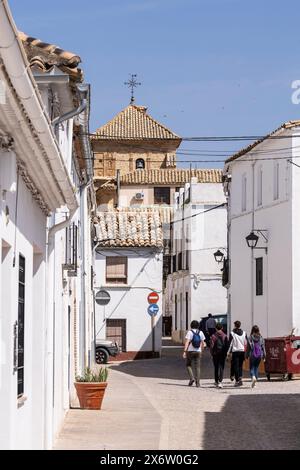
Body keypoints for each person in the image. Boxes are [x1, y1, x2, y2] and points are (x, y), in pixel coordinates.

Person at [183, 320, 206, 387]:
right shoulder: (201, 332)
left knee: (188, 365)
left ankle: (192, 378)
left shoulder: (190, 332)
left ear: (191, 325)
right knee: (198, 367)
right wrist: (201, 351)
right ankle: (198, 383)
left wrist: (185, 351)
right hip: (198, 351)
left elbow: (187, 342)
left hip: (190, 351)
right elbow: (203, 343)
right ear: (198, 326)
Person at [227, 320, 247, 386]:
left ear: (235, 325)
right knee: (240, 366)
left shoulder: (232, 333)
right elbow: (245, 343)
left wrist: (228, 352)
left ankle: (237, 380)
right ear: (240, 325)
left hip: (235, 351)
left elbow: (230, 344)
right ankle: (240, 378)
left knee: (236, 366)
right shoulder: (244, 333)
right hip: (242, 351)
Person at [210, 323, 229, 388]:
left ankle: (216, 381)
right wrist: (226, 353)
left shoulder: (213, 336)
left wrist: (211, 354)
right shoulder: (225, 336)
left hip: (215, 353)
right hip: (222, 353)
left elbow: (212, 346)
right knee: (221, 367)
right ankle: (220, 381)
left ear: (215, 328)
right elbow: (227, 346)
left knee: (216, 367)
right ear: (222, 328)